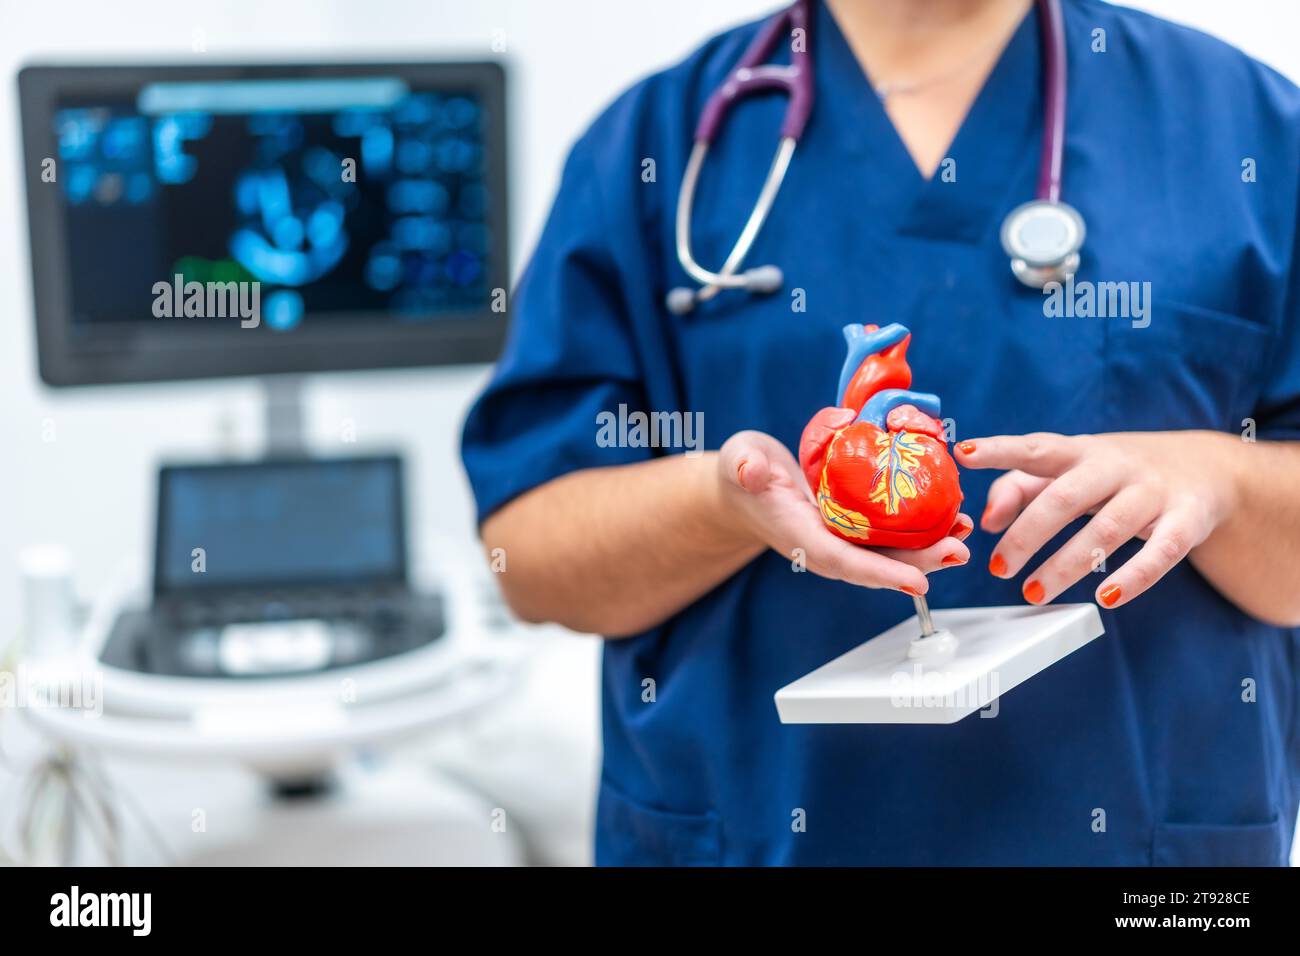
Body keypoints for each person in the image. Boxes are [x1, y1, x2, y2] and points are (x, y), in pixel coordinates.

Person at [461, 0, 1300, 865]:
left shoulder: (1246, 131)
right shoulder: (655, 149)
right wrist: (721, 504)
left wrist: (1223, 479)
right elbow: (526, 557)